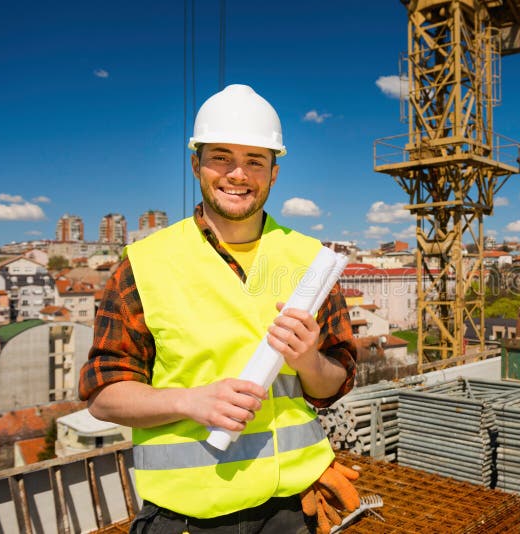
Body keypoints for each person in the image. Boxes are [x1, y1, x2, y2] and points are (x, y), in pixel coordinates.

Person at [79, 84, 358, 533]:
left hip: (295, 509)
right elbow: (102, 395)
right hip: (189, 517)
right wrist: (190, 402)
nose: (237, 174)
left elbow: (335, 383)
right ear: (196, 164)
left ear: (274, 173)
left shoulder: (311, 261)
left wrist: (307, 360)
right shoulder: (144, 266)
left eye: (255, 161)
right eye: (221, 157)